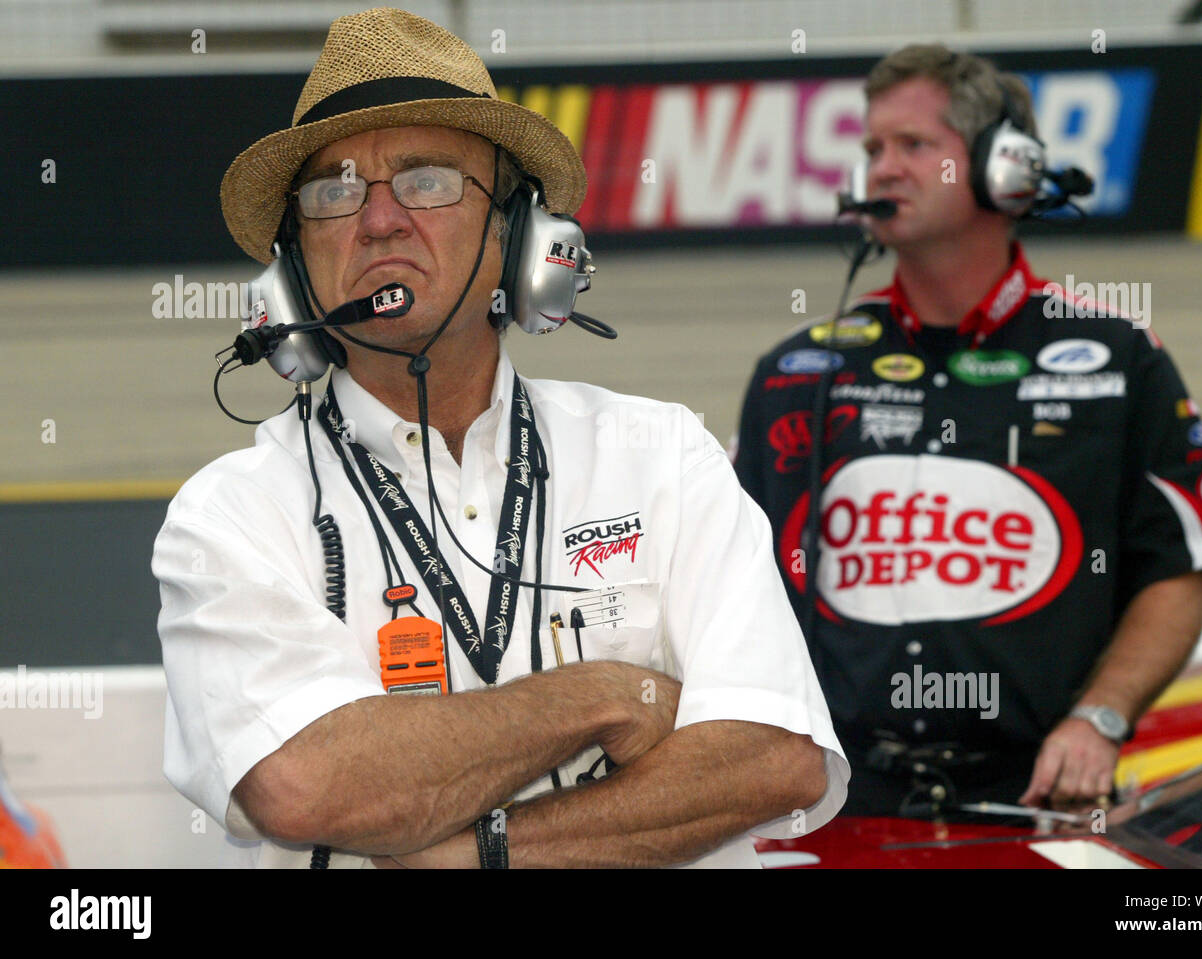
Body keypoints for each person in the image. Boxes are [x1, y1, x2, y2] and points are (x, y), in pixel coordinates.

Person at [153, 6, 846, 868]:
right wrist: (602, 696)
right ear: (293, 270)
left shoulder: (662, 453)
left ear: (521, 241)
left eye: (427, 180)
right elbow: (304, 784)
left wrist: (482, 853)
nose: (377, 221)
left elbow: (772, 757)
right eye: (332, 192)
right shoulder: (231, 515)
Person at [732, 44, 1202, 818]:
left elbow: (1177, 570)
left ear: (1005, 167)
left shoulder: (1119, 361)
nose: (881, 167)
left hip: (1038, 798)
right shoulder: (796, 372)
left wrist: (1100, 717)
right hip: (829, 801)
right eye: (872, 148)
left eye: (915, 145)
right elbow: (730, 589)